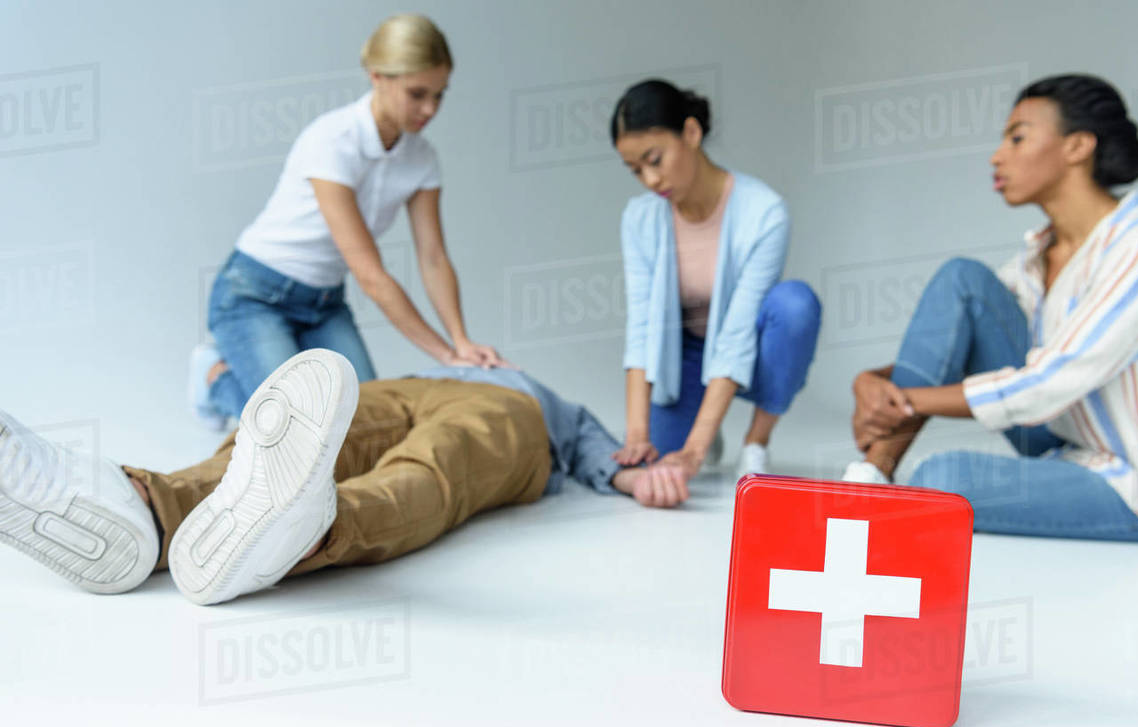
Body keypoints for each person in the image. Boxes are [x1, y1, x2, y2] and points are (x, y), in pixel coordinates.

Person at [2, 350, 692, 604]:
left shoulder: (545, 403)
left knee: (432, 467)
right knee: (268, 439)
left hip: (512, 420)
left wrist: (641, 479)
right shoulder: (455, 360)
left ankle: (310, 527)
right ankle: (139, 506)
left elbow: (611, 457)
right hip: (400, 384)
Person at [843, 74, 1138, 542]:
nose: (997, 155)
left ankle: (868, 486)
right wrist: (873, 382)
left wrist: (902, 403)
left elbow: (1056, 379)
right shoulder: (1037, 257)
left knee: (942, 480)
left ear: (1078, 147)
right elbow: (952, 339)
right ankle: (870, 476)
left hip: (1132, 487)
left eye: (1017, 137)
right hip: (1058, 449)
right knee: (962, 280)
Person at [189, 14, 506, 430]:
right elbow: (371, 277)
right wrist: (445, 356)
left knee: (365, 427)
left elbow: (432, 258)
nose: (430, 109)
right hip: (254, 295)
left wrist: (462, 340)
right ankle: (213, 376)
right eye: (418, 94)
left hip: (323, 306)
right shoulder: (332, 141)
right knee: (294, 429)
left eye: (440, 95)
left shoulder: (421, 158)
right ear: (377, 76)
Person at [609, 79, 822, 482]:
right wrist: (636, 434)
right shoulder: (639, 218)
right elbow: (641, 329)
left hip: (755, 349)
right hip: (686, 354)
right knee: (653, 462)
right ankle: (703, 423)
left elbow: (739, 332)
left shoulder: (764, 212)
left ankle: (755, 442)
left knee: (795, 305)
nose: (650, 180)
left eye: (655, 160)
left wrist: (695, 448)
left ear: (691, 133)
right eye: (636, 170)